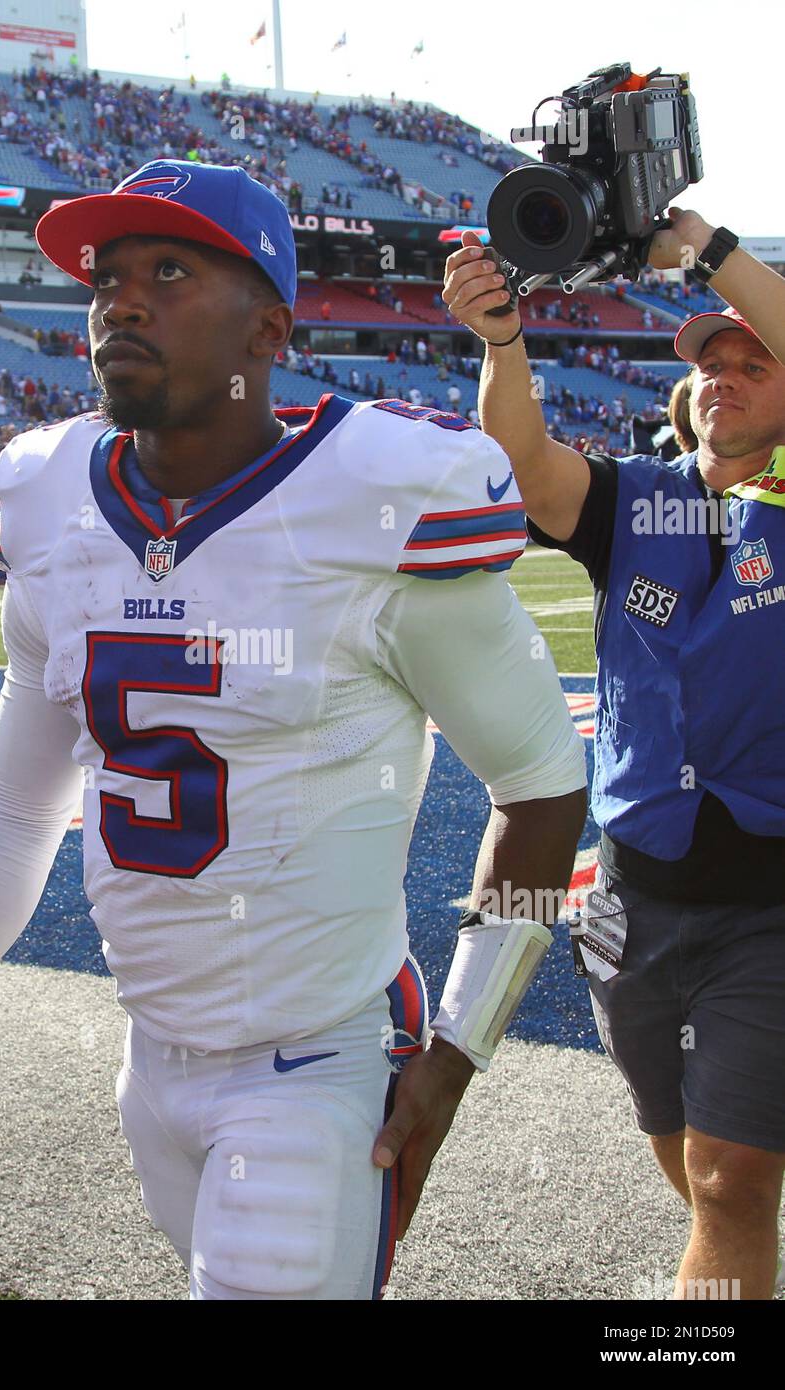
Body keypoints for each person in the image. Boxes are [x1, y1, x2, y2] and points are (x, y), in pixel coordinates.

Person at [0, 160, 587, 1301]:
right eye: (108, 277)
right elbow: (18, 801)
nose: (120, 302)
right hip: (148, 1065)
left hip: (318, 1060)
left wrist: (461, 1045)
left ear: (268, 328)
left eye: (168, 271)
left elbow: (542, 780)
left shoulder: (374, 492)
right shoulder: (50, 501)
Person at [443, 209, 785, 1301]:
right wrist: (502, 344)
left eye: (752, 362)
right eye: (710, 364)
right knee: (685, 1150)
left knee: (729, 1180)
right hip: (629, 899)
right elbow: (520, 462)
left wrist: (713, 248)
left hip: (768, 904)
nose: (723, 378)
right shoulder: (638, 500)